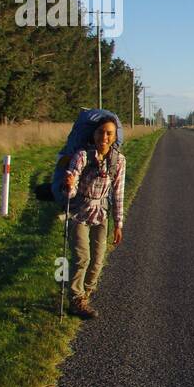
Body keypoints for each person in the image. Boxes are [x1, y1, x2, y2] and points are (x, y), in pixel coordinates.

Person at [63, 118, 125, 319]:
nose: (104, 137)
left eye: (109, 133)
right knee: (83, 258)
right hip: (79, 211)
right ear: (93, 134)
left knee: (98, 261)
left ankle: (85, 294)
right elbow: (70, 193)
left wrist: (118, 223)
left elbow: (118, 194)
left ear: (115, 137)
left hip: (101, 214)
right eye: (100, 132)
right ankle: (76, 298)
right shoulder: (82, 156)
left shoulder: (119, 160)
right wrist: (70, 184)